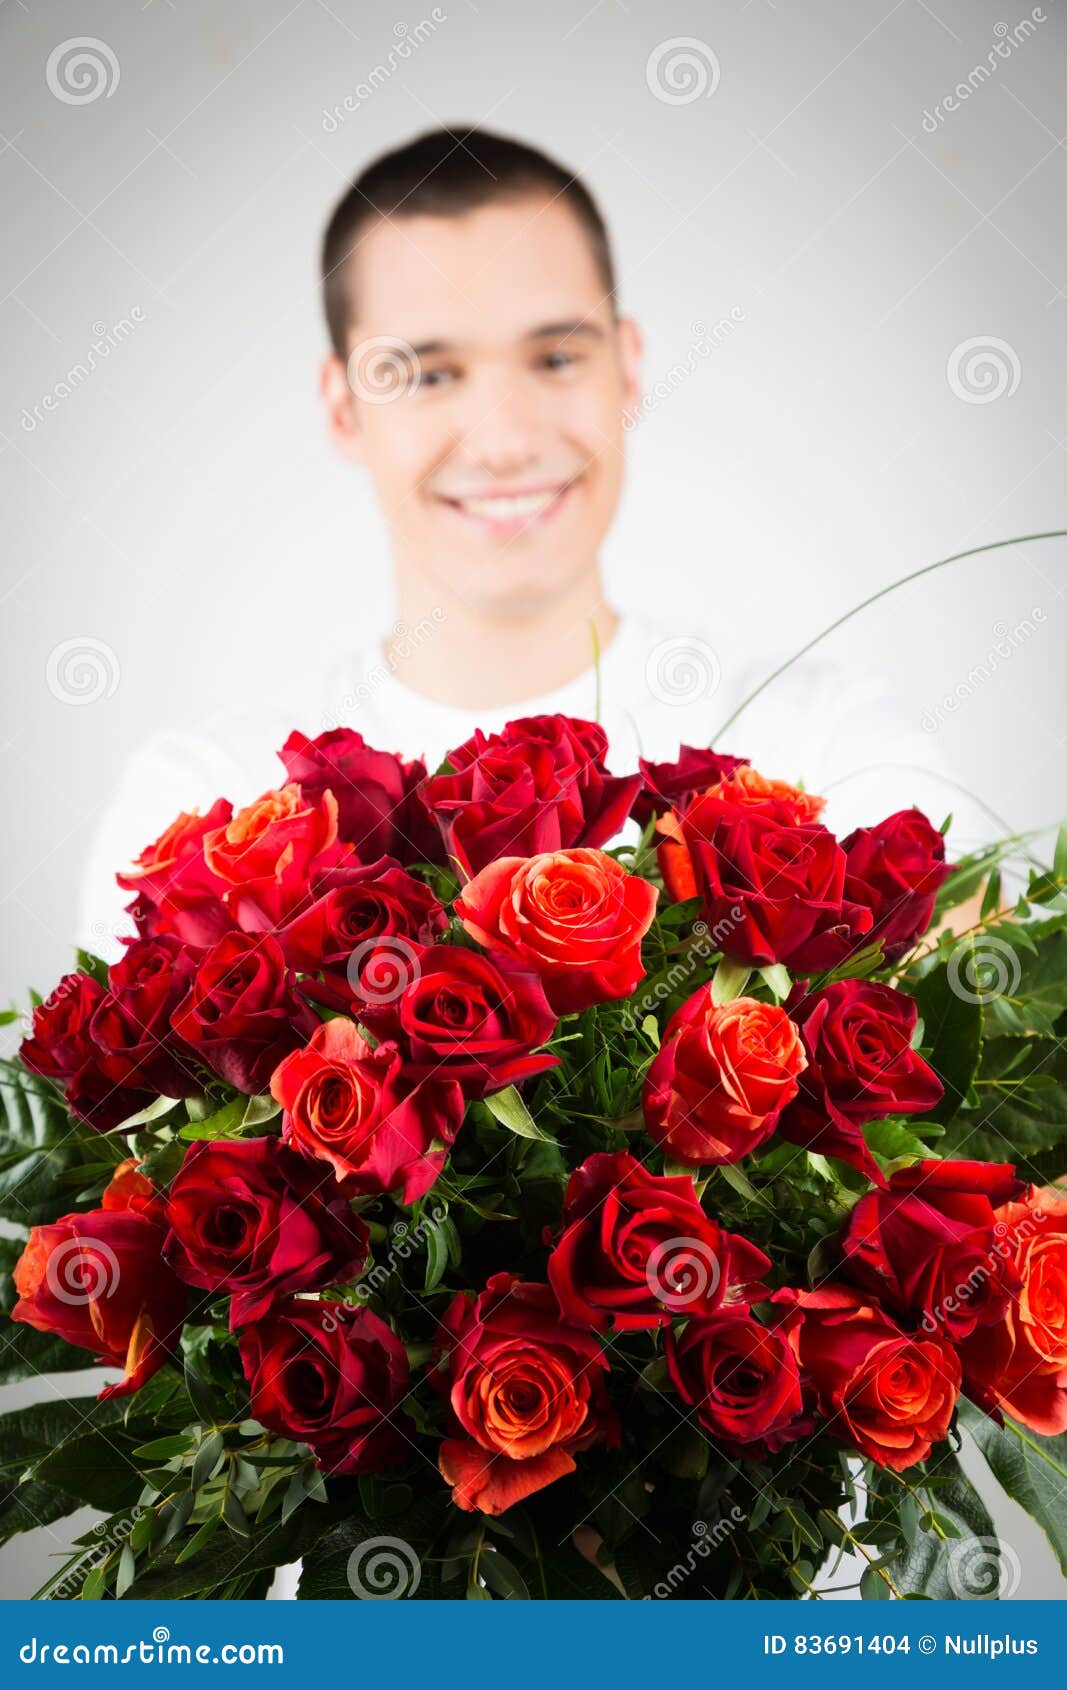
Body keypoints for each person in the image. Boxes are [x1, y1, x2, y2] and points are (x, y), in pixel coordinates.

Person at [77, 127, 986, 955]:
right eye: (428, 374)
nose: (505, 440)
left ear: (626, 369)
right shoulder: (200, 810)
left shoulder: (836, 751)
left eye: (555, 358)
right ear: (343, 407)